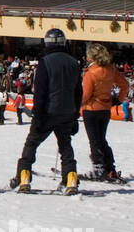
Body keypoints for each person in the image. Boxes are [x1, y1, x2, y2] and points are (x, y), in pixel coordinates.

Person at [10, 29, 83, 193]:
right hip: (67, 112)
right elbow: (78, 92)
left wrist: (38, 114)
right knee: (65, 147)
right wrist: (75, 114)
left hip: (48, 111)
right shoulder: (73, 62)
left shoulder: (45, 61)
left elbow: (40, 91)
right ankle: (70, 178)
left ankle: (24, 176)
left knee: (32, 143)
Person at [80, 43, 129, 182]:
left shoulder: (90, 74)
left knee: (94, 141)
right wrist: (118, 99)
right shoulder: (110, 69)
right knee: (101, 139)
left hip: (91, 110)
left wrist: (76, 103)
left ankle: (99, 168)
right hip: (105, 109)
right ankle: (109, 167)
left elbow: (86, 95)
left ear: (92, 57)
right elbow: (125, 85)